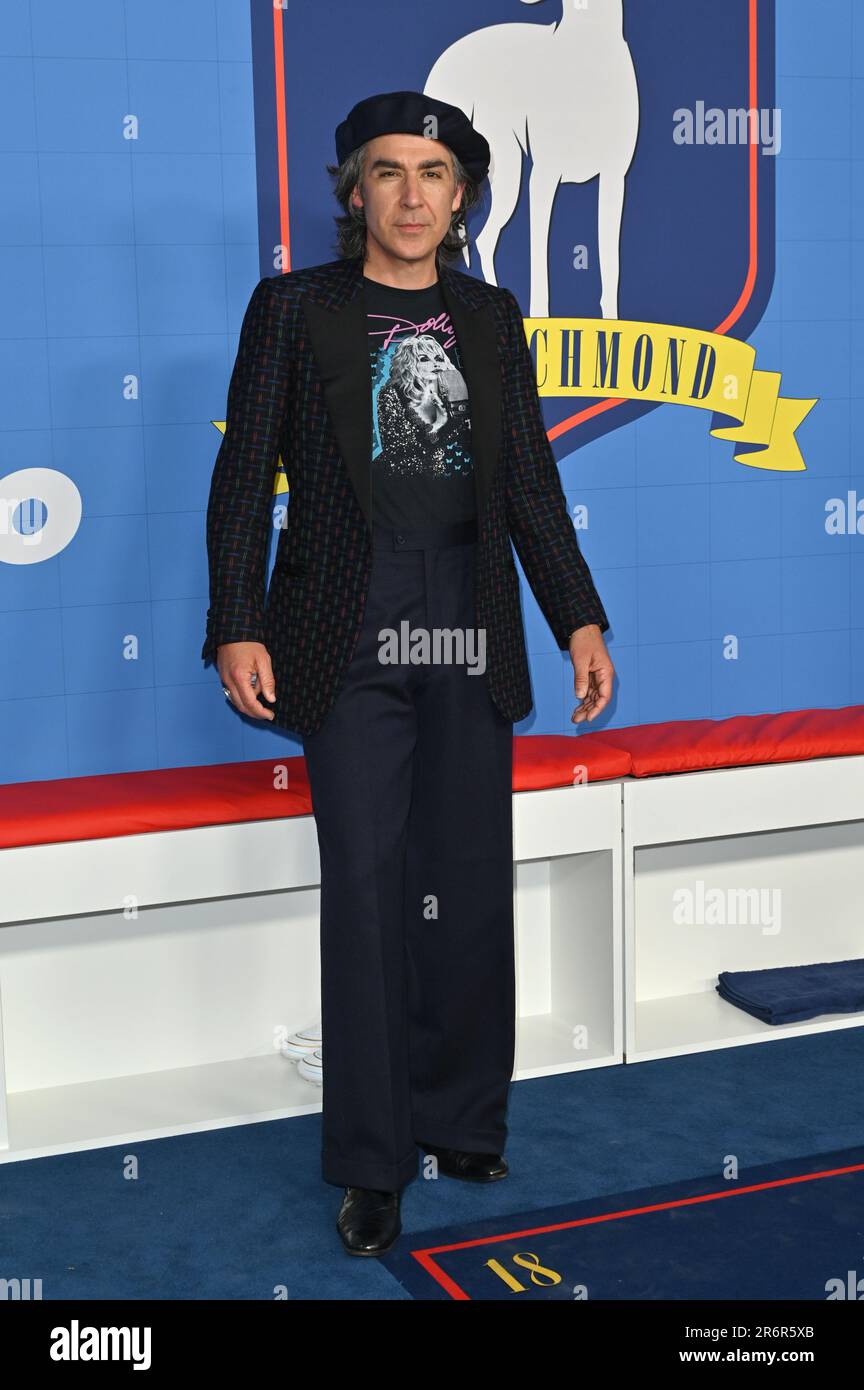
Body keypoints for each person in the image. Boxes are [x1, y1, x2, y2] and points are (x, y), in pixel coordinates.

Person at [201, 90, 615, 1257]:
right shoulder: (293, 309)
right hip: (345, 623)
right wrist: (238, 620)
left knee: (469, 879)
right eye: (388, 172)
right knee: (372, 891)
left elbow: (530, 483)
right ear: (355, 194)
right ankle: (374, 1162)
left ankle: (463, 1119)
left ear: (464, 196)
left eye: (436, 173)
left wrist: (579, 618)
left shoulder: (489, 317)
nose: (414, 194)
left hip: (470, 620)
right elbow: (245, 482)